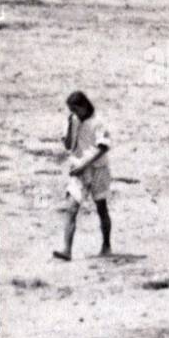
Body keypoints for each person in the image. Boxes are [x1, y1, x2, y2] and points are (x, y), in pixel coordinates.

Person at [54, 91, 112, 261]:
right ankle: (67, 250)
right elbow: (67, 146)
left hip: (98, 169)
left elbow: (103, 148)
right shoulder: (73, 120)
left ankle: (106, 245)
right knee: (71, 208)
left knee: (101, 207)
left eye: (75, 109)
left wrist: (84, 165)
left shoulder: (98, 121)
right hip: (78, 170)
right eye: (71, 110)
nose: (73, 112)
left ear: (84, 106)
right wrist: (71, 126)